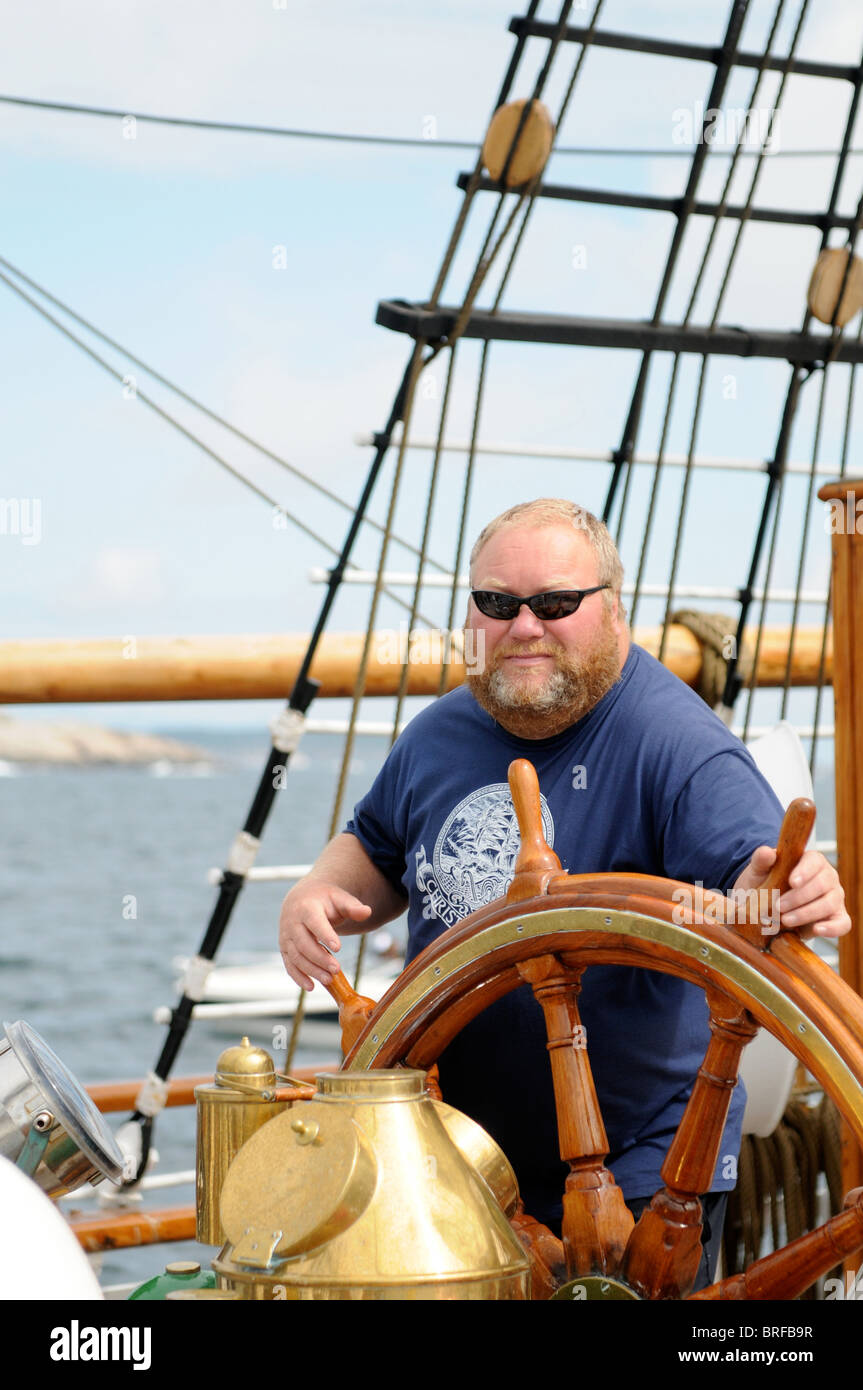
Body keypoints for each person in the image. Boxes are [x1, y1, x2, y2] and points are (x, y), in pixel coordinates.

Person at [278, 498, 849, 1286]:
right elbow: (373, 848)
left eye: (553, 603)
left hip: (643, 1178)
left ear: (613, 608)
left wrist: (787, 891)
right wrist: (315, 891)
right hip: (448, 1157)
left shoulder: (678, 746)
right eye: (495, 603)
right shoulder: (436, 736)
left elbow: (752, 880)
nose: (522, 626)